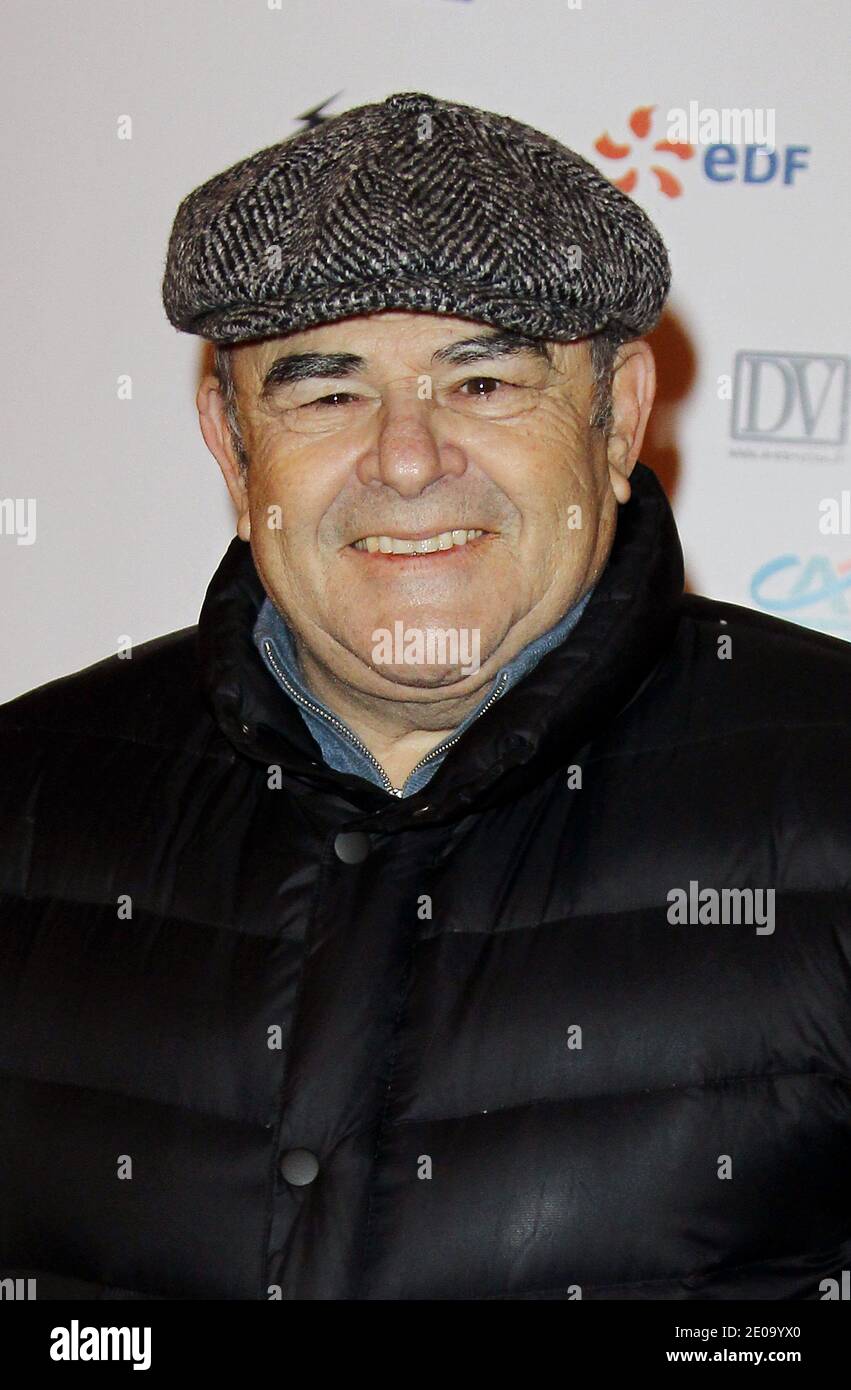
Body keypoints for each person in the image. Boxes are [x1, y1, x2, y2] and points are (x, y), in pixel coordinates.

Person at [0, 92, 849, 1301]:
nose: (405, 458)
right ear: (231, 446)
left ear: (616, 420)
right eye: (325, 390)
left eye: (485, 382)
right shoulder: (26, 801)